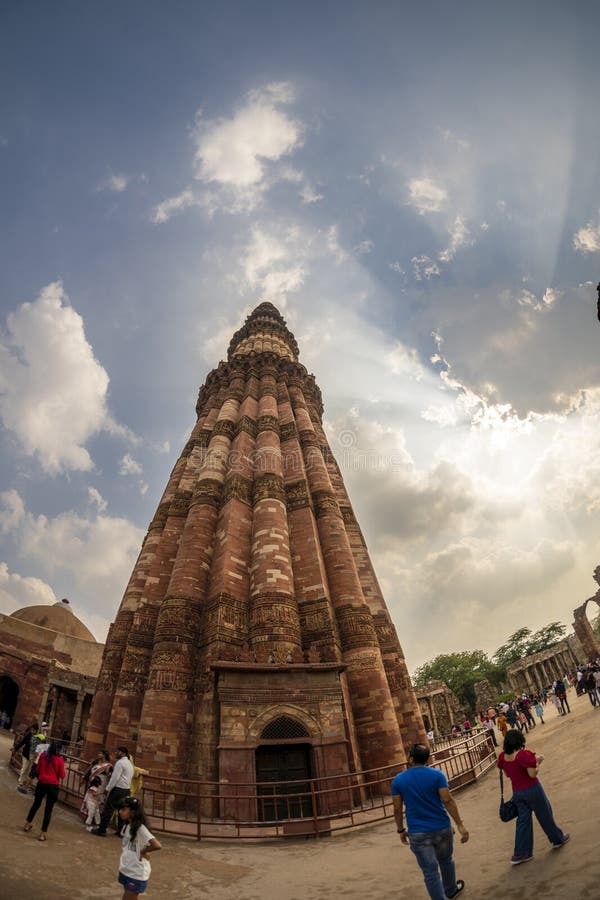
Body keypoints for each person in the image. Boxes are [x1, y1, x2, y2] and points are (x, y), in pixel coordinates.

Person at [391, 743, 468, 899]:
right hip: (441, 827)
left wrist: (400, 830)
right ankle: (450, 890)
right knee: (446, 860)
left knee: (430, 872)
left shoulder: (398, 780)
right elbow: (448, 800)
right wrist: (459, 824)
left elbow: (397, 809)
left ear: (411, 758)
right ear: (427, 758)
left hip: (418, 832)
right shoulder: (437, 775)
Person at [497, 729, 569, 865]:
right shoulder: (523, 755)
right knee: (545, 814)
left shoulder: (503, 757)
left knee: (523, 822)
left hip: (517, 793)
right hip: (532, 789)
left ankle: (521, 853)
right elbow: (532, 774)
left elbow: (507, 774)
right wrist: (538, 761)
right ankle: (557, 839)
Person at [116, 797, 161, 898]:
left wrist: (143, 851)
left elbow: (157, 845)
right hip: (127, 867)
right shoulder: (127, 826)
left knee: (127, 897)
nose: (120, 812)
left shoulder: (141, 828)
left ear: (132, 812)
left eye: (123, 809)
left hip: (136, 873)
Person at [23, 740, 65, 841]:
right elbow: (62, 775)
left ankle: (27, 824)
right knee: (48, 810)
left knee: (36, 804)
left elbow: (37, 769)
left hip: (42, 783)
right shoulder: (60, 759)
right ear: (58, 750)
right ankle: (42, 834)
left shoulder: (43, 755)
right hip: (53, 785)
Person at [93, 746, 134, 837]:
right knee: (122, 811)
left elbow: (115, 778)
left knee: (109, 809)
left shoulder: (120, 763)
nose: (116, 753)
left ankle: (102, 830)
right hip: (126, 790)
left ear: (123, 753)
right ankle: (121, 831)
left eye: (118, 752)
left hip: (118, 789)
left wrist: (107, 789)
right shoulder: (129, 764)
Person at [14, 722, 37, 794]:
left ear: (36, 730)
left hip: (33, 756)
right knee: (24, 768)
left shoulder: (38, 737)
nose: (32, 731)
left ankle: (24, 782)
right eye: (31, 730)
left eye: (34, 730)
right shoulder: (28, 735)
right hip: (26, 754)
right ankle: (20, 782)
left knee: (28, 770)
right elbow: (22, 742)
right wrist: (16, 748)